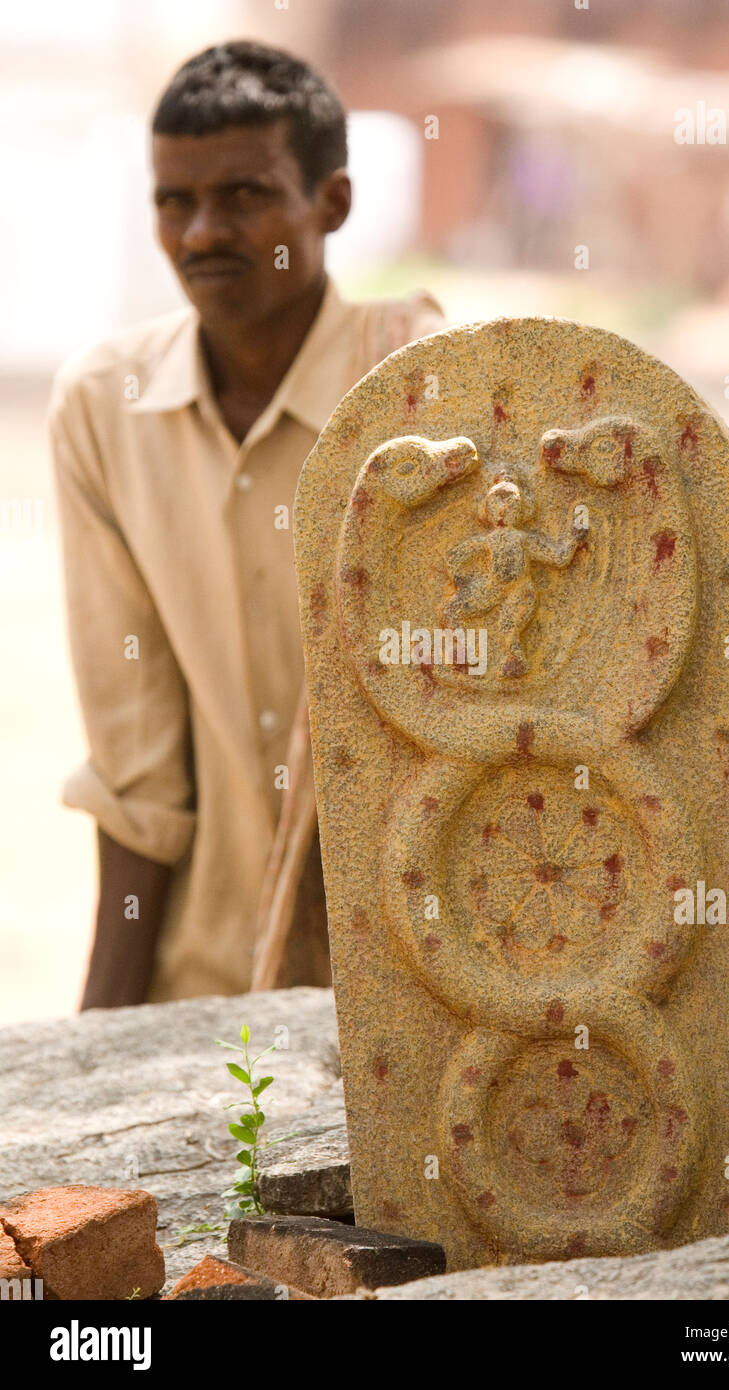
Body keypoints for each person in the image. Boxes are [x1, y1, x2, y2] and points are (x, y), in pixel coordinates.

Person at [49, 41, 445, 1008]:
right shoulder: (107, 407)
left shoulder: (419, 389)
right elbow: (134, 760)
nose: (201, 234)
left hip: (418, 980)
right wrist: (104, 1043)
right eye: (173, 201)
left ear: (333, 203)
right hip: (204, 988)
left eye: (246, 195)